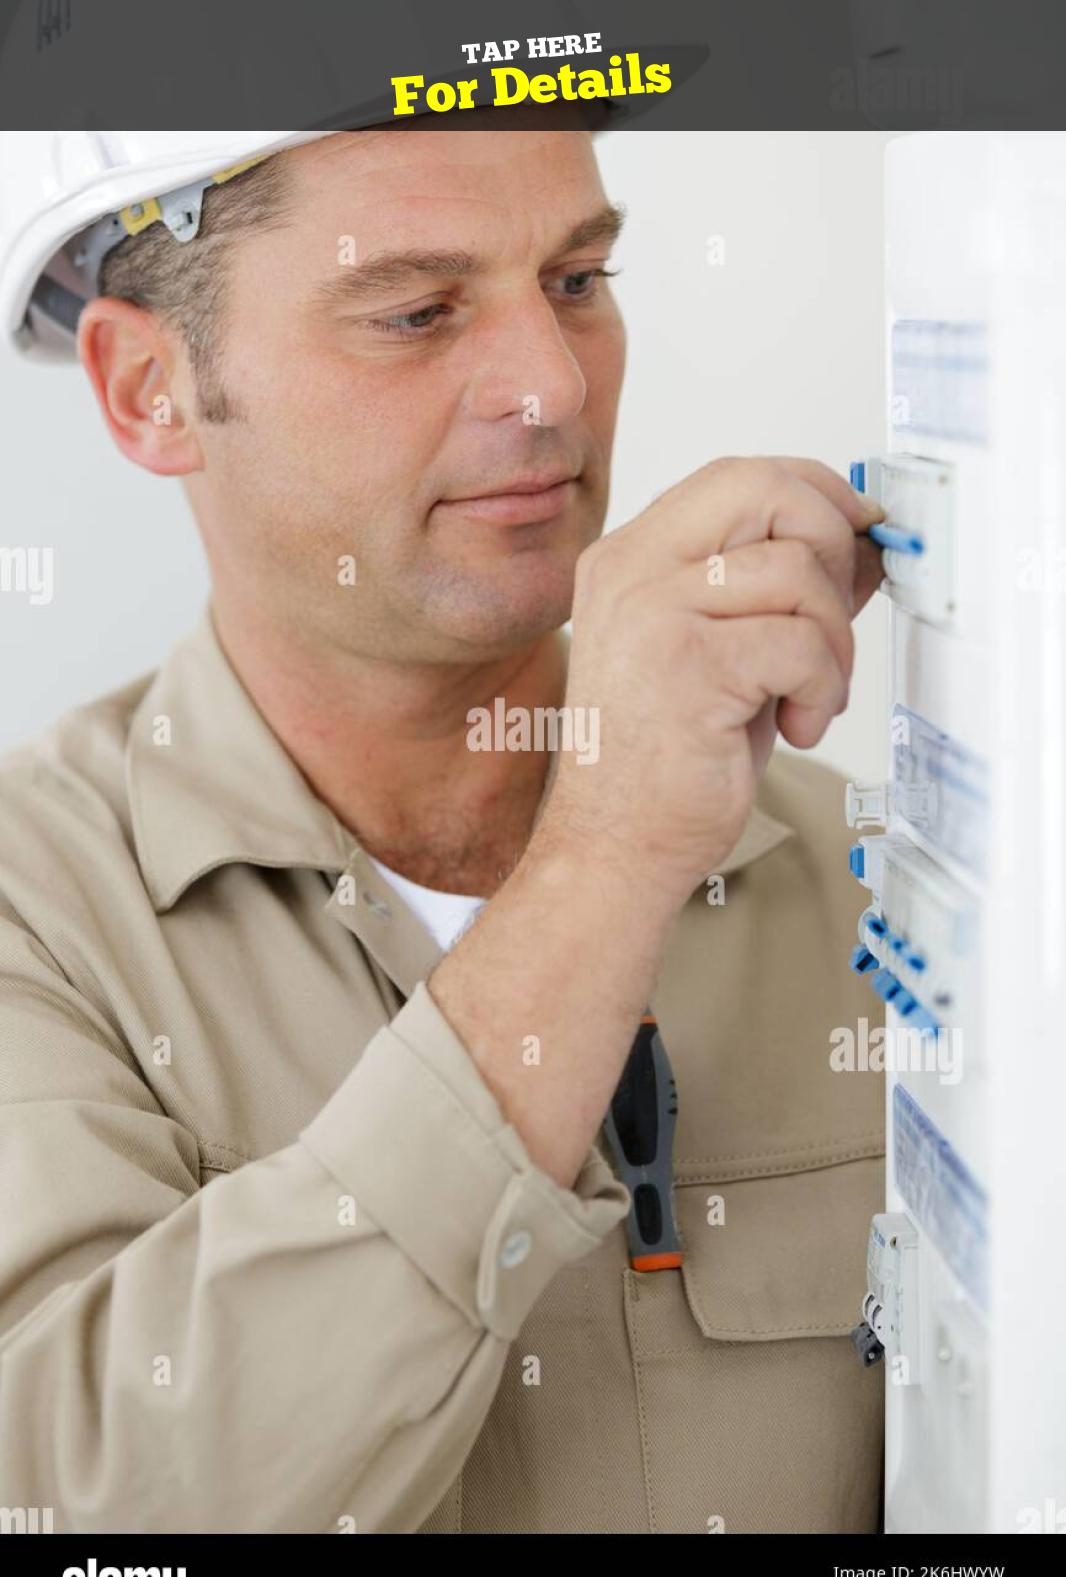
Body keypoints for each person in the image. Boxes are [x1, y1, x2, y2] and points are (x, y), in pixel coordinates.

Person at [0, 124, 887, 1533]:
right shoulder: (35, 921)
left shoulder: (886, 895)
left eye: (579, 277)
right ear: (149, 386)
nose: (550, 385)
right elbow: (81, 1498)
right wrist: (603, 857)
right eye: (416, 309)